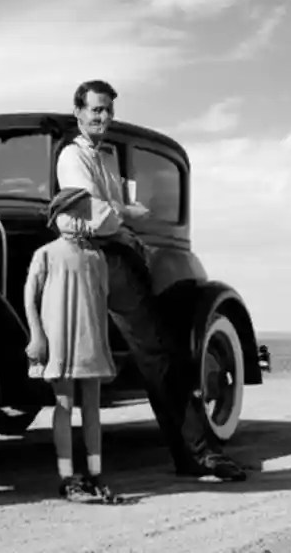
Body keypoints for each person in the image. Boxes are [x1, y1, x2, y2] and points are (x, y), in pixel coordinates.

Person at [54, 79, 248, 482]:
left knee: (163, 353)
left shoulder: (104, 159)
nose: (103, 117)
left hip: (117, 253)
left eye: (107, 110)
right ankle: (196, 455)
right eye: (95, 109)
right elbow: (96, 215)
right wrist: (125, 216)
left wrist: (117, 216)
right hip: (101, 257)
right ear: (78, 112)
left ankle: (196, 452)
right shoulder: (73, 158)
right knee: (158, 353)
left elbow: (107, 211)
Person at [24, 186, 122, 504]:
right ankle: (67, 476)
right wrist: (37, 335)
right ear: (58, 218)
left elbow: (102, 300)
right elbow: (31, 297)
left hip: (90, 341)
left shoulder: (97, 257)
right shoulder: (47, 254)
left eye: (84, 214)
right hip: (60, 342)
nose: (80, 221)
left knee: (91, 407)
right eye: (74, 214)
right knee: (64, 405)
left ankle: (96, 472)